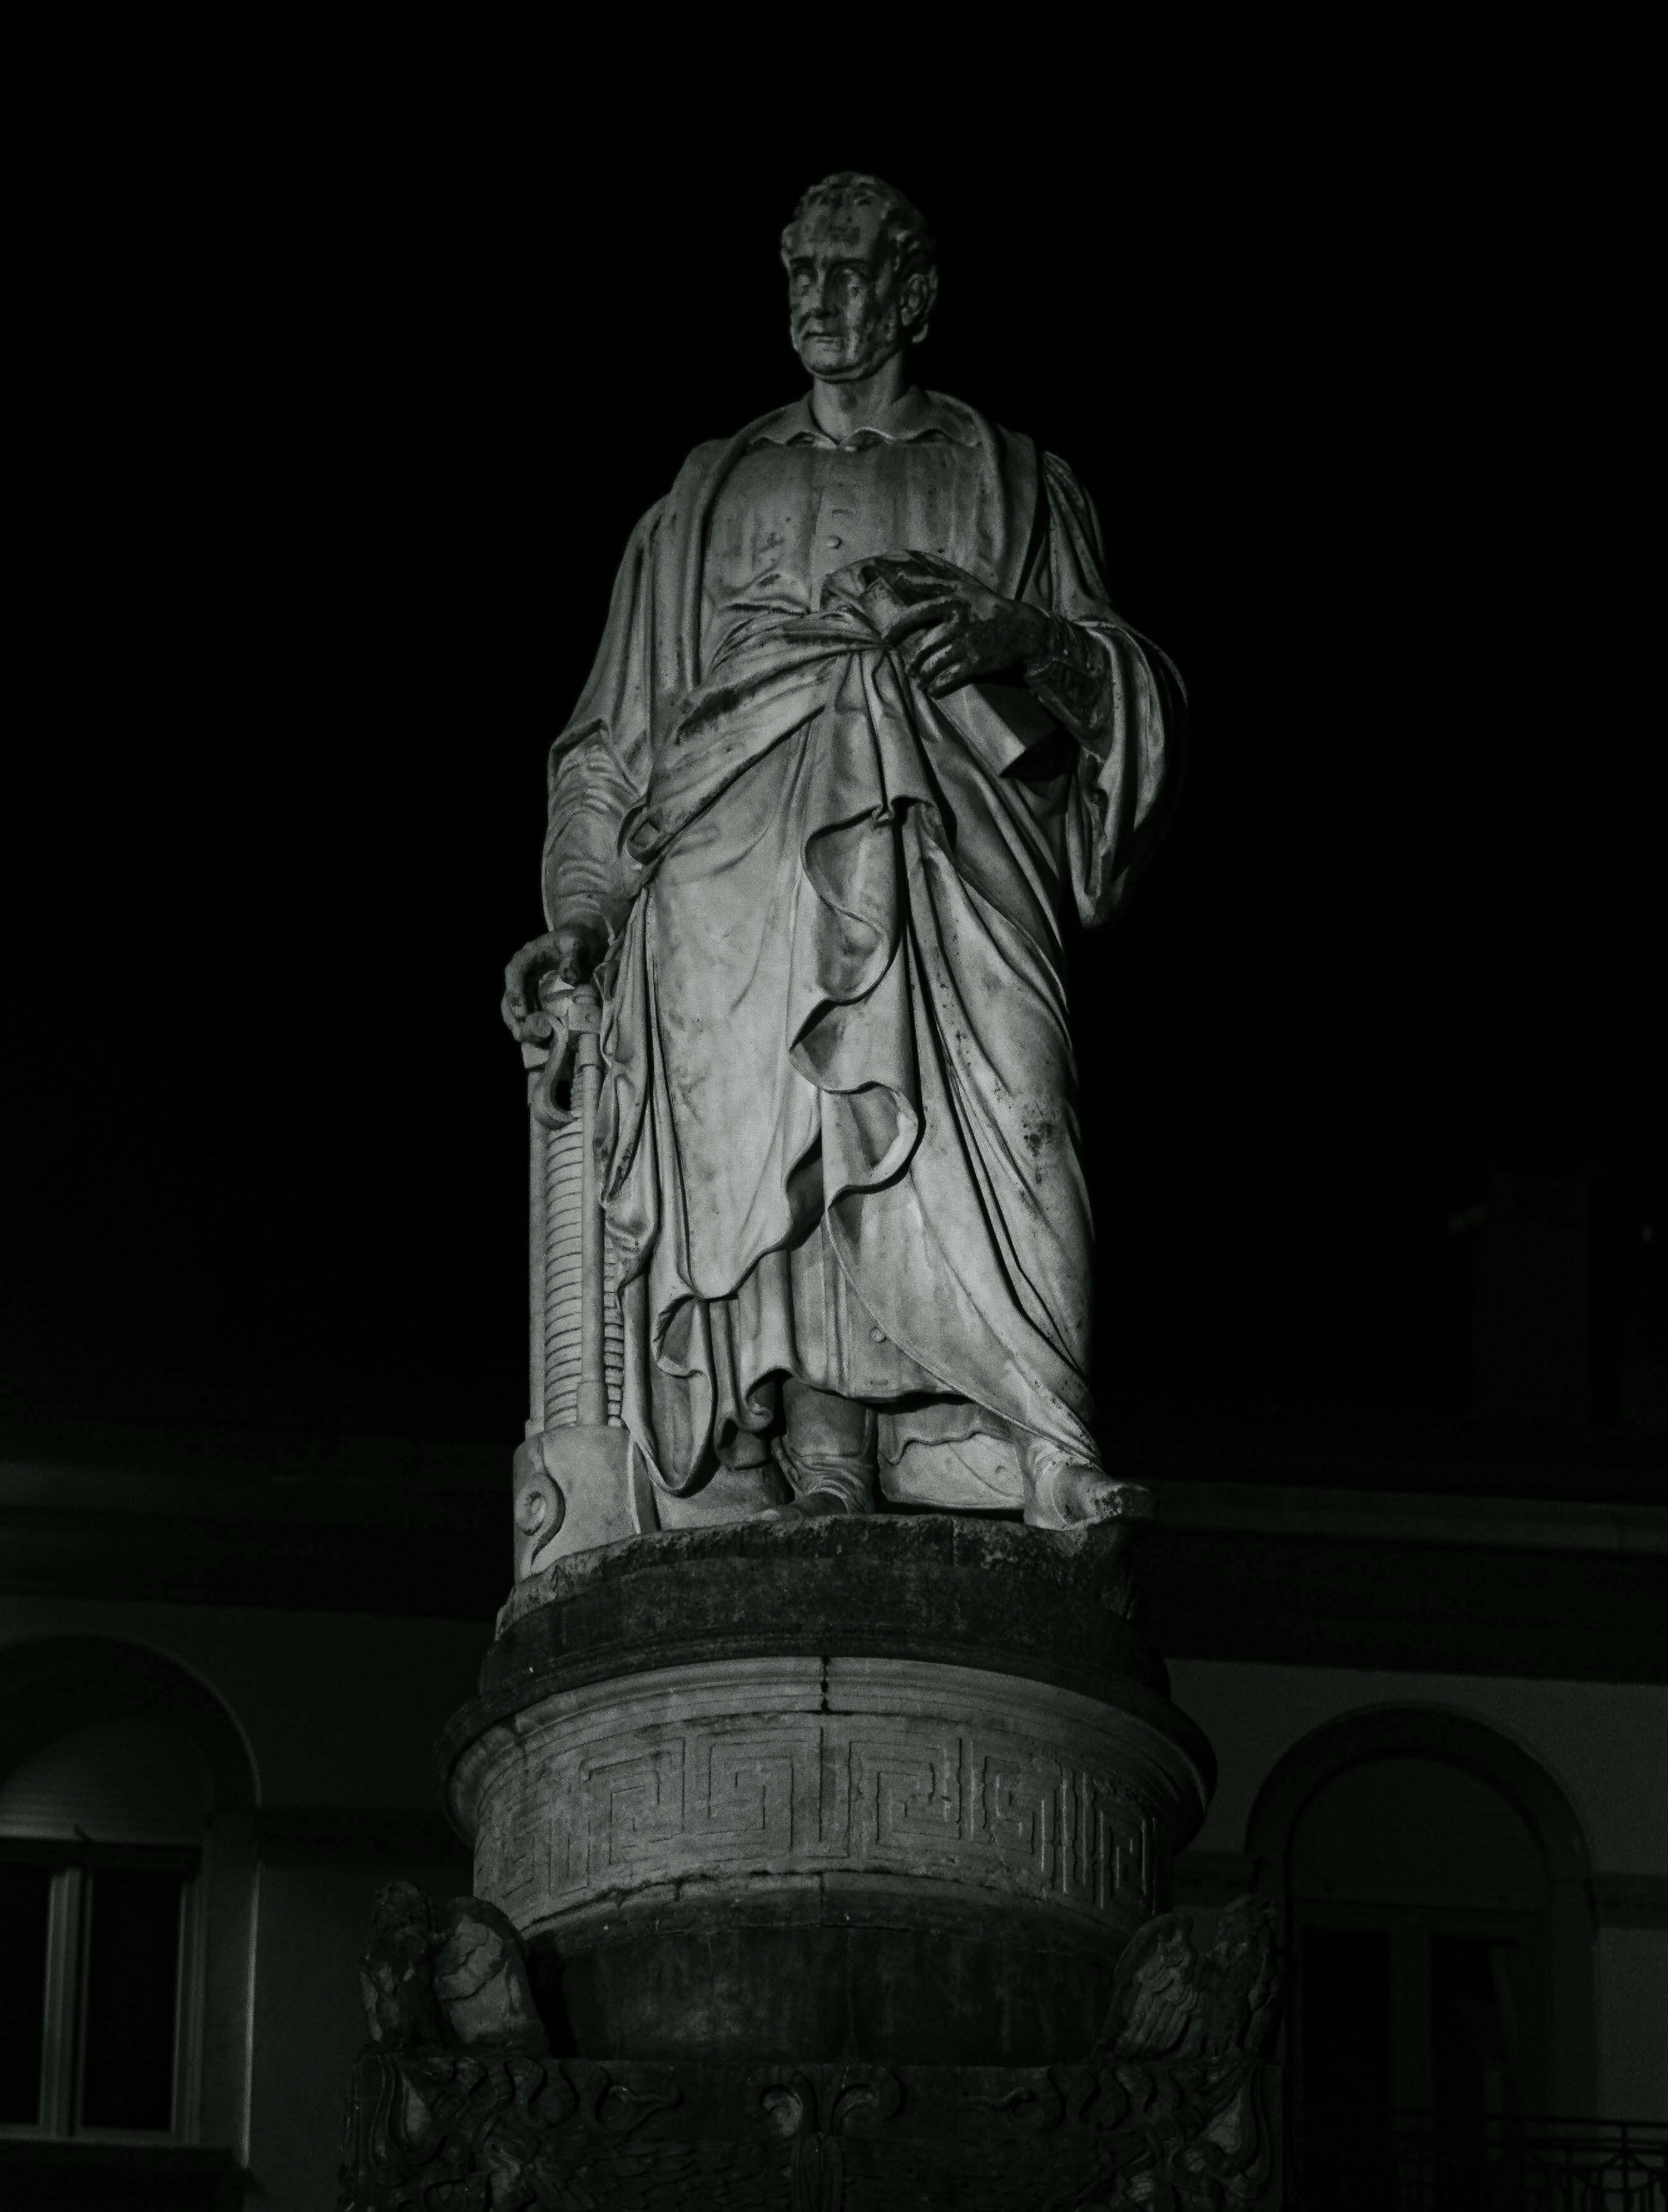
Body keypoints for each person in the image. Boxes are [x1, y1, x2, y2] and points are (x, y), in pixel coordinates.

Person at [499, 172, 1183, 1530]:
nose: (818, 300)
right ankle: (815, 1432)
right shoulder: (707, 493)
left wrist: (1026, 642)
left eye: (850, 272)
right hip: (733, 843)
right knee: (774, 1104)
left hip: (949, 838)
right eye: (799, 274)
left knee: (1023, 1102)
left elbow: (1129, 684)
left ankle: (1021, 1424)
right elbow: (610, 747)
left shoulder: (1017, 482)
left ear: (915, 296)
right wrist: (581, 916)